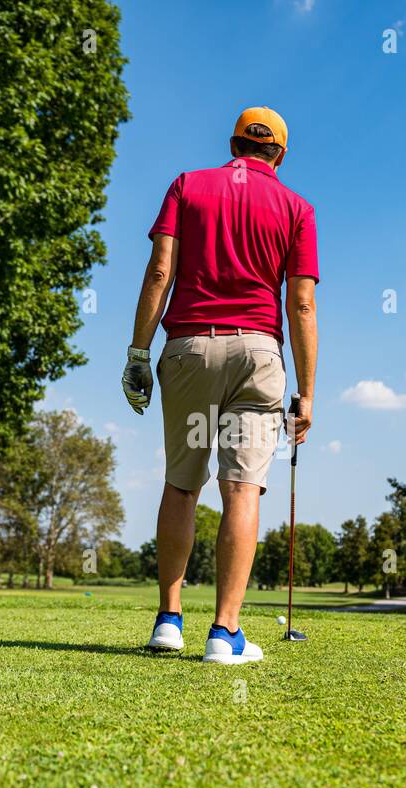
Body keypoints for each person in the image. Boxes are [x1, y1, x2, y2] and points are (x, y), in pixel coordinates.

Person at [122, 106, 318, 664]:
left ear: (234, 143)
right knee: (241, 487)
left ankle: (168, 620)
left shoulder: (188, 185)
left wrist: (139, 351)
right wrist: (307, 389)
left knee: (182, 484)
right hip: (258, 355)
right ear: (279, 153)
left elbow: (160, 270)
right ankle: (224, 633)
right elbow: (301, 302)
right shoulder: (297, 208)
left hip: (187, 348)